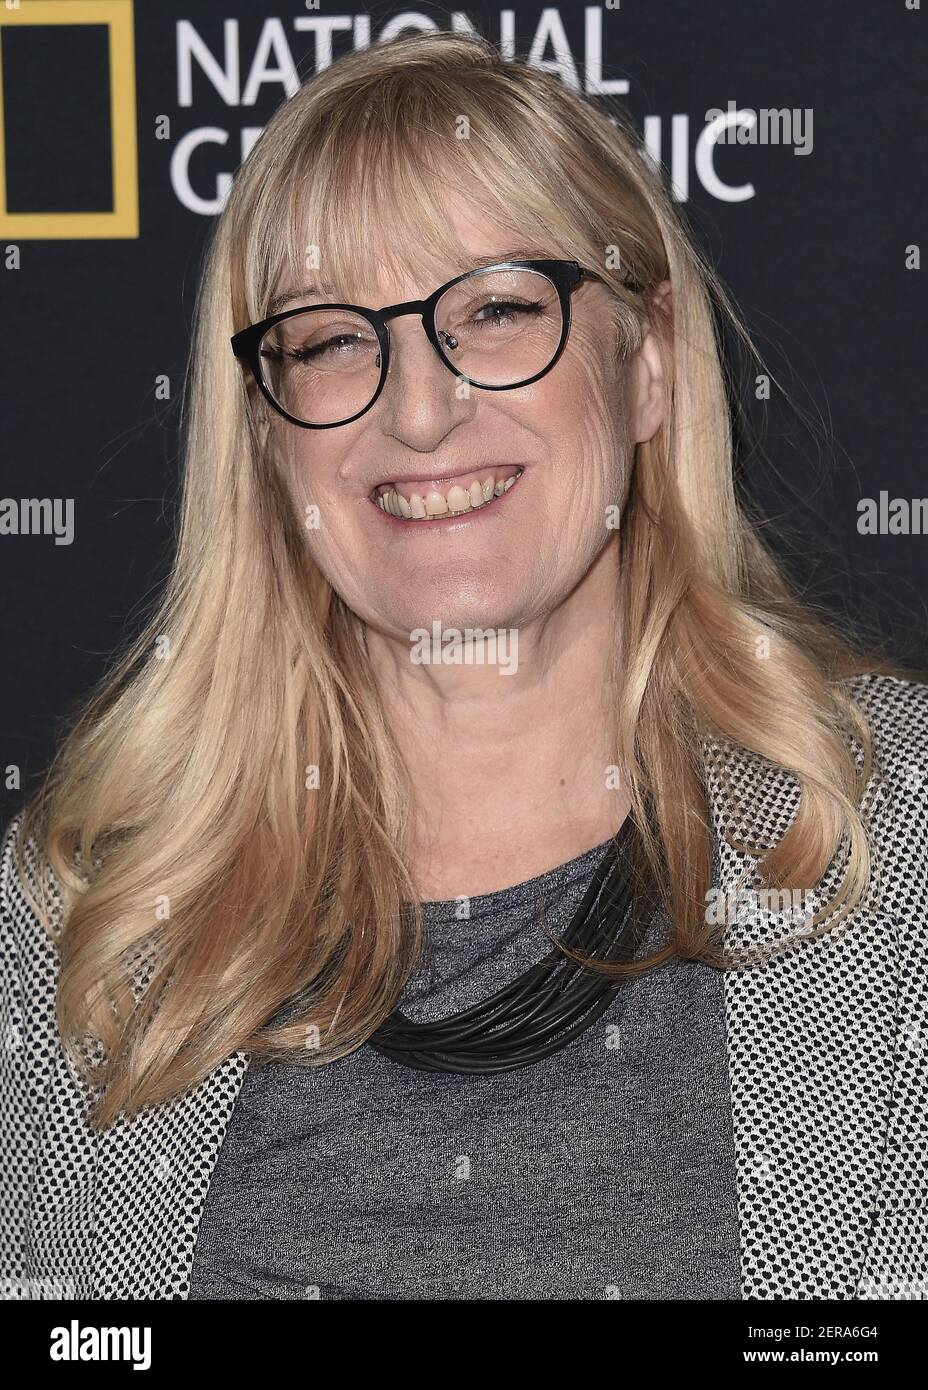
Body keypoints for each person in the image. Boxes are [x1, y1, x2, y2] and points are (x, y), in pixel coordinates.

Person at [1, 30, 926, 1302]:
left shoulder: (893, 835)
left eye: (495, 310)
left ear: (648, 363)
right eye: (329, 339)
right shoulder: (90, 915)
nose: (419, 410)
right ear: (265, 435)